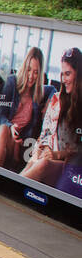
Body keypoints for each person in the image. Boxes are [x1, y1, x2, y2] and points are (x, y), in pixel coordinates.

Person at [0, 47, 51, 170]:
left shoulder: (38, 93)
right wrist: (10, 126)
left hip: (15, 142)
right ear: (24, 68)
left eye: (36, 72)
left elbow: (53, 90)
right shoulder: (12, 81)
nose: (31, 76)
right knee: (4, 130)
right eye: (29, 70)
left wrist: (49, 101)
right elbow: (0, 113)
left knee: (5, 140)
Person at [24, 47, 82, 187]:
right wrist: (39, 150)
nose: (63, 79)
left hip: (67, 165)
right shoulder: (56, 98)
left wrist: (57, 155)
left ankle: (9, 186)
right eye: (62, 74)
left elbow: (79, 149)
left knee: (42, 164)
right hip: (45, 154)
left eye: (68, 74)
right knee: (32, 164)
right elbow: (45, 133)